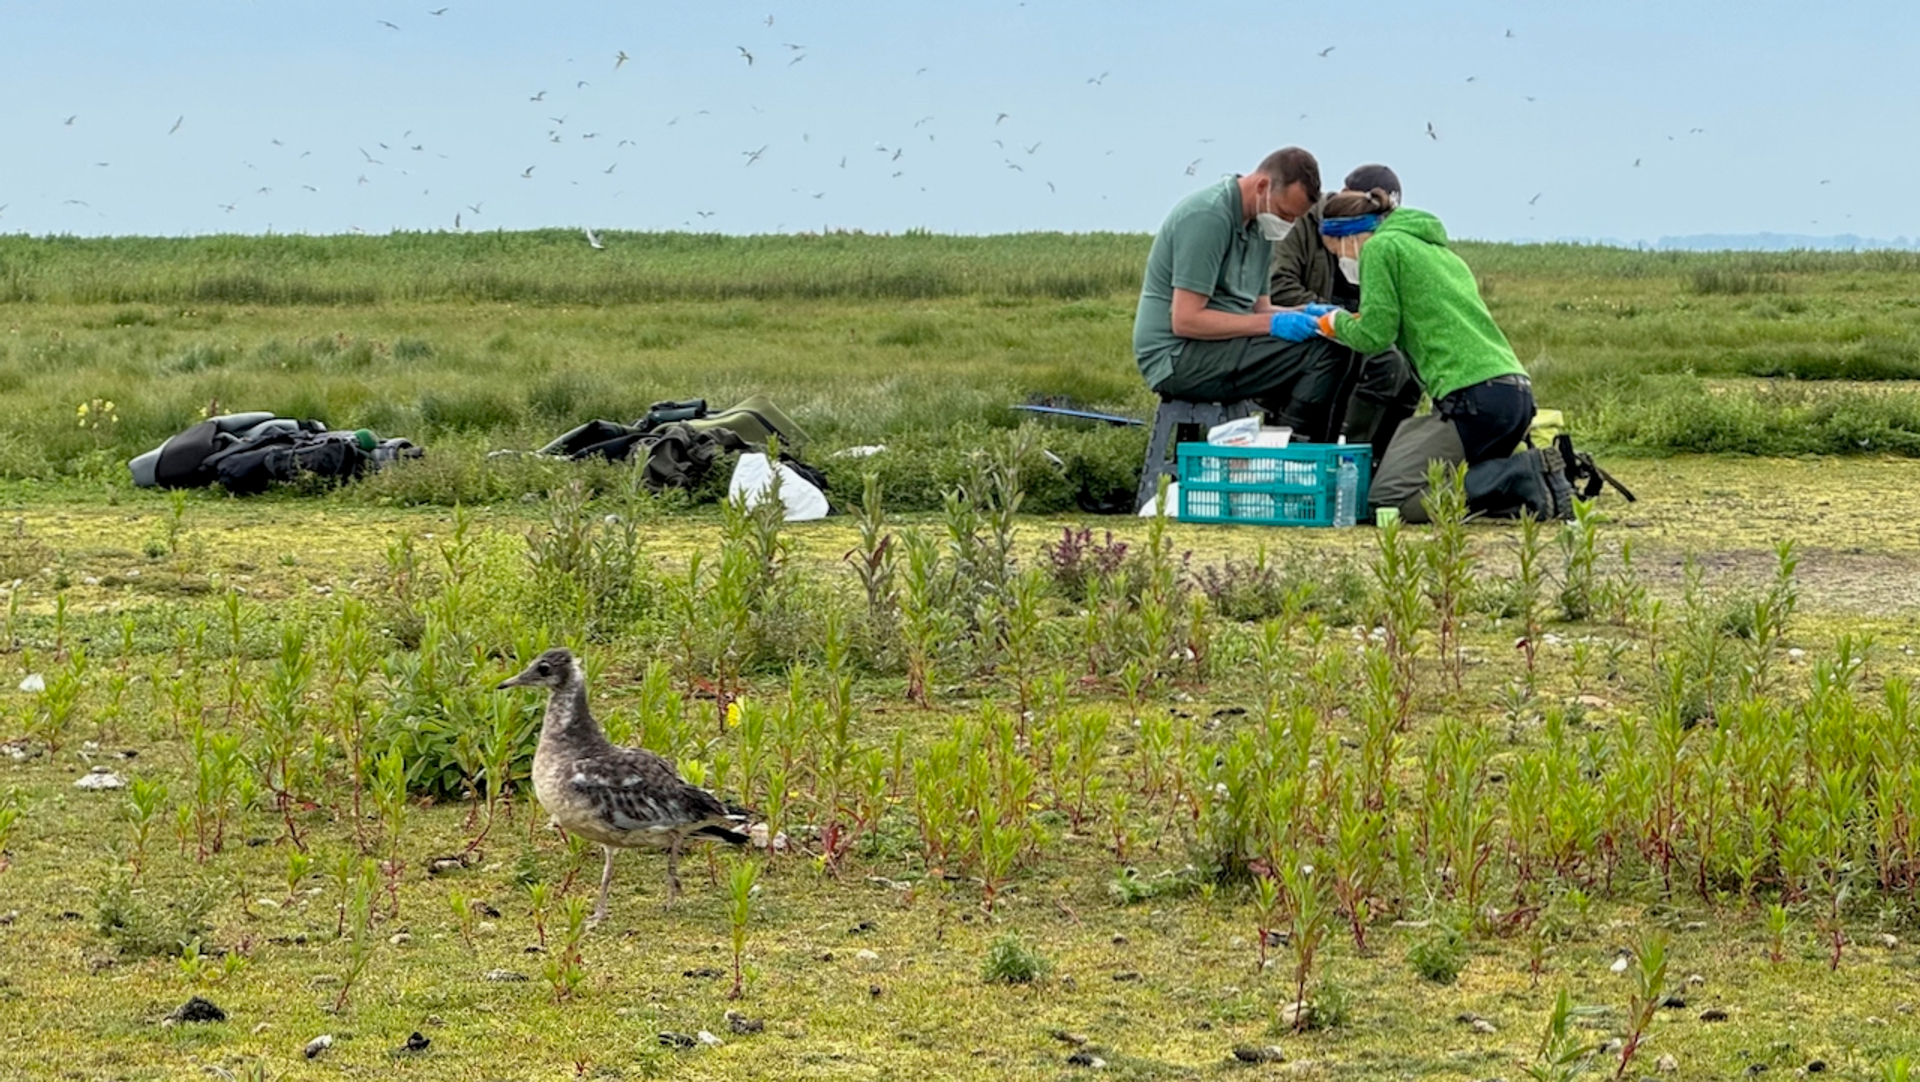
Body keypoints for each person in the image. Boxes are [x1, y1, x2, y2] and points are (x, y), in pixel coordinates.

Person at [1271, 188, 1594, 522]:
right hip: (1513, 395)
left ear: (1348, 237)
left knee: (1387, 500)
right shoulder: (1437, 251)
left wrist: (1332, 321)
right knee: (1417, 450)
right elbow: (1401, 318)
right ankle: (1530, 490)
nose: (1342, 263)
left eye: (1337, 252)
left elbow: (1374, 336)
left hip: (1472, 400)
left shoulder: (1380, 247)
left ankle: (1525, 472)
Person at [1132, 147, 1362, 443]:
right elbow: (1186, 320)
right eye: (1284, 214)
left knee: (1341, 344)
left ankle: (1311, 449)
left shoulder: (1260, 229)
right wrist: (1273, 325)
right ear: (1263, 187)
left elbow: (1260, 308)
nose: (1288, 224)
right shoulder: (1208, 217)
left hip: (1220, 345)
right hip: (1176, 355)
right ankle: (1292, 455)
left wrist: (1309, 314)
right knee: (1324, 355)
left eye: (1294, 218)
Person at [1268, 163, 1423, 463]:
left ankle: (1380, 462)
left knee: (1411, 370)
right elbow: (1279, 285)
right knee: (1384, 362)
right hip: (1303, 323)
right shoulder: (1304, 224)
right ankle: (1343, 455)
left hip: (1351, 324)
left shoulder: (1373, 242)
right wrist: (1329, 315)